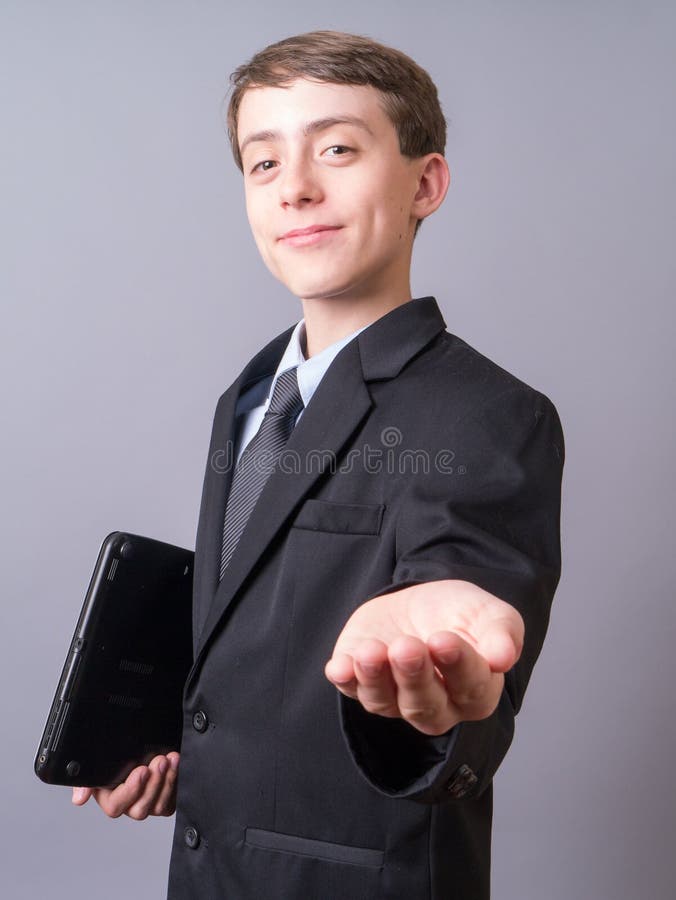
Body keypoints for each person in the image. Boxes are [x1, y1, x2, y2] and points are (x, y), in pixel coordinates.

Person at [73, 30, 564, 899]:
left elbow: (462, 716)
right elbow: (257, 649)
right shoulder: (247, 398)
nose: (295, 186)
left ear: (425, 184)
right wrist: (173, 746)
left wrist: (444, 683)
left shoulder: (489, 413)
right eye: (263, 163)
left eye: (337, 149)